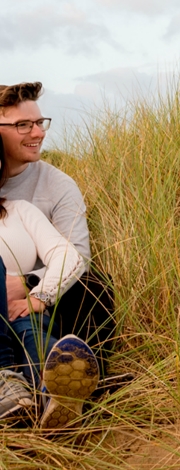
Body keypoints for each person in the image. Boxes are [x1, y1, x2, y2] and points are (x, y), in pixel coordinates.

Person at [0, 82, 115, 373]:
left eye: (39, 123)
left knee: (93, 287)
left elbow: (77, 255)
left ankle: (84, 376)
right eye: (23, 125)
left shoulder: (56, 185)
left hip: (44, 301)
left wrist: (30, 285)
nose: (38, 133)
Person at [0, 136, 99, 428]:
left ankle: (53, 398)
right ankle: (6, 376)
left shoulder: (19, 211)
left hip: (18, 316)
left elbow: (70, 257)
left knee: (30, 330)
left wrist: (38, 293)